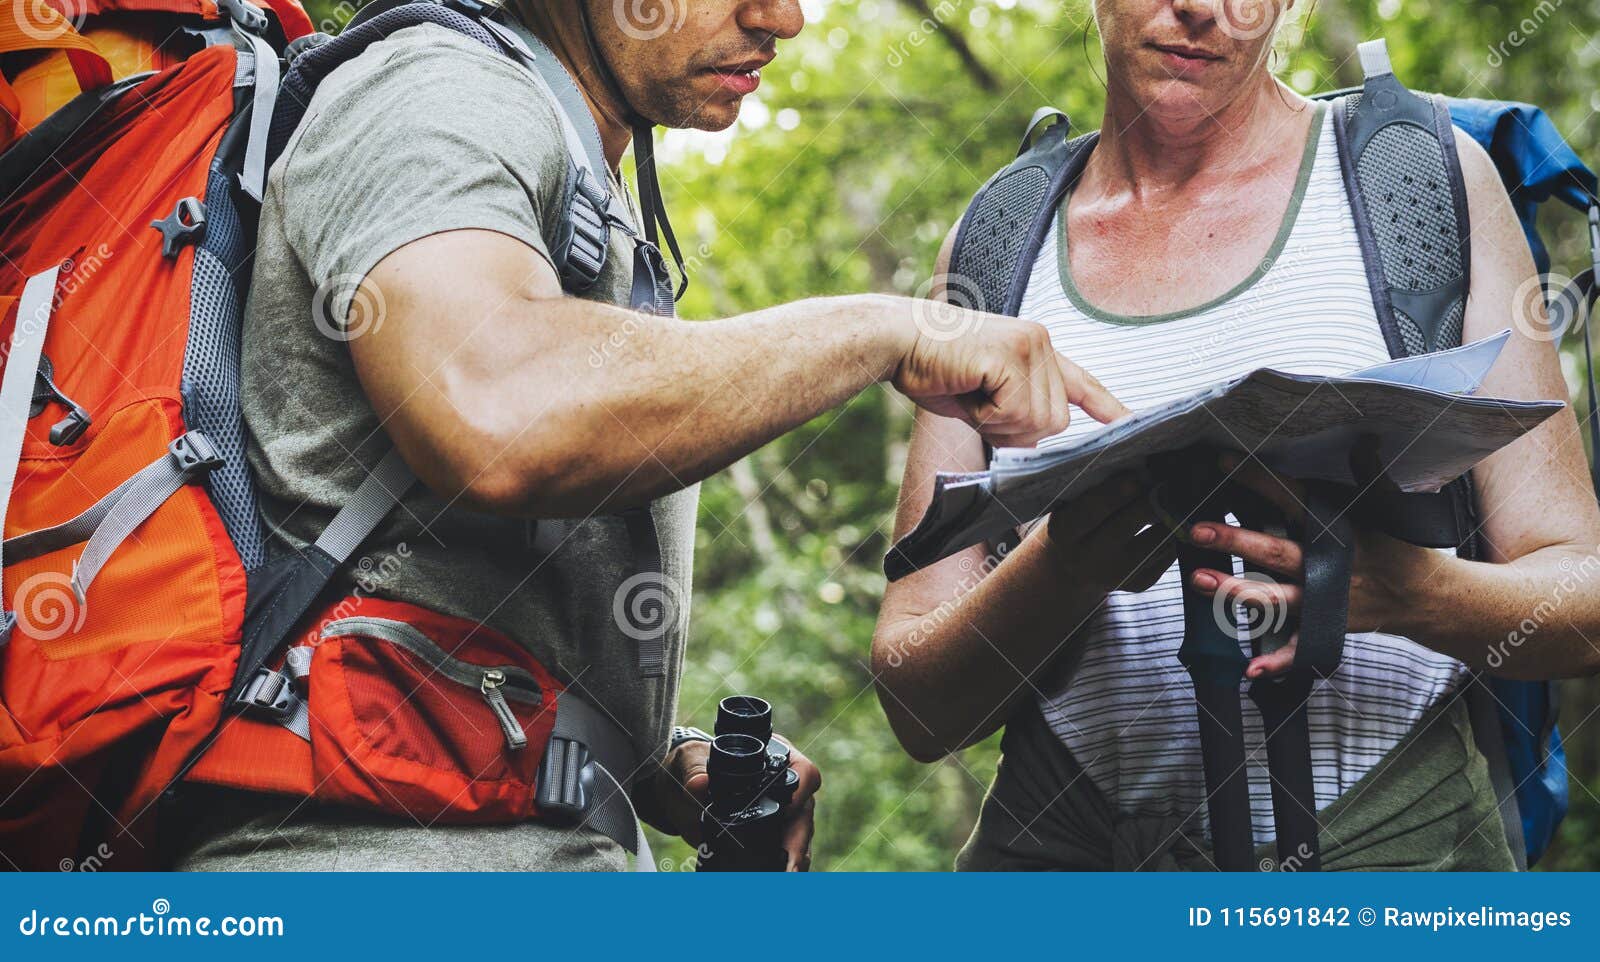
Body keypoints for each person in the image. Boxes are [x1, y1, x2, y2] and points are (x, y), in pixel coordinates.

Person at [165, 0, 1122, 871]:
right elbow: (493, 410)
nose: (782, 19)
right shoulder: (433, 89)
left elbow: (454, 597)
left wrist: (645, 765)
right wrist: (882, 329)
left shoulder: (572, 165)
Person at [872, 0, 1600, 871]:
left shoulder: (1419, 185)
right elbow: (917, 705)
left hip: (1397, 855)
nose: (1202, 10)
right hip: (1072, 858)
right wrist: (1064, 566)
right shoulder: (996, 243)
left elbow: (1584, 602)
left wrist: (1406, 592)